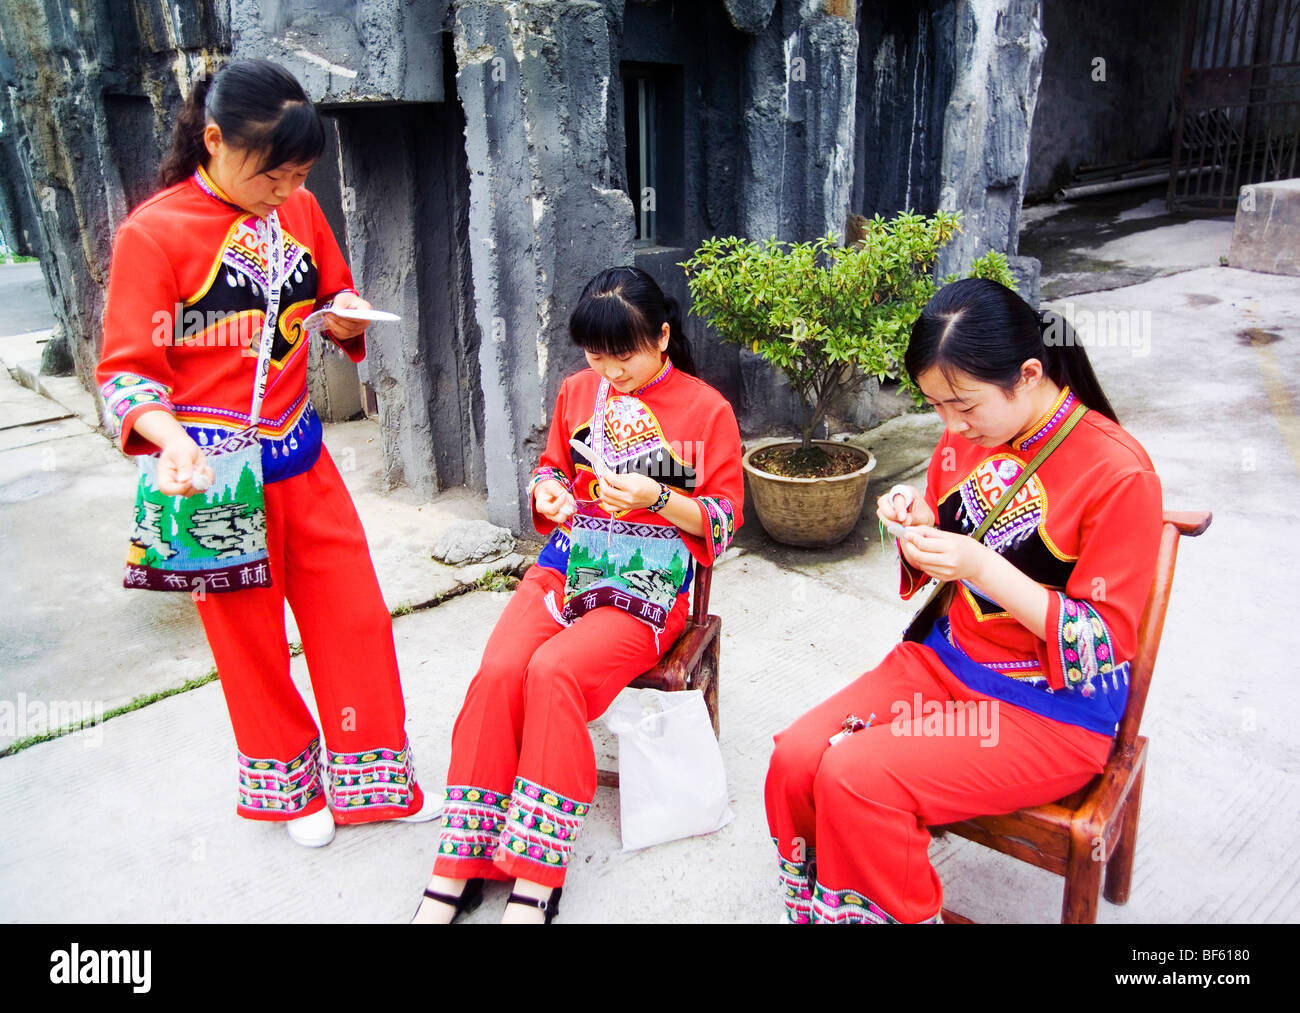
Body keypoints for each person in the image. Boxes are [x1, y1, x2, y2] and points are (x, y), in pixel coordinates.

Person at [96, 59, 435, 847]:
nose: (284, 190)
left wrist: (346, 321)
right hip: (208, 477)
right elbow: (123, 372)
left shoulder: (302, 211)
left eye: (299, 174)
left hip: (301, 457)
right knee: (247, 643)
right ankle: (287, 786)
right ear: (213, 140)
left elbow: (330, 297)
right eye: (270, 172)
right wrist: (171, 438)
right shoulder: (153, 234)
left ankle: (372, 776)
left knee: (352, 619)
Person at [764, 277, 1163, 923]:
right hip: (947, 661)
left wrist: (983, 566)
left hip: (1049, 705)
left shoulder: (1119, 472)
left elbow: (1103, 642)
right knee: (796, 757)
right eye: (935, 404)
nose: (949, 425)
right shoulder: (967, 433)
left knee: (859, 777)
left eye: (963, 404)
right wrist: (917, 520)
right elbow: (952, 537)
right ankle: (829, 909)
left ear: (1029, 373)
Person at [411, 266, 744, 923]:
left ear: (664, 337)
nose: (610, 372)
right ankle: (462, 861)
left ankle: (538, 871)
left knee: (553, 671)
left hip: (647, 582)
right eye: (596, 356)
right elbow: (551, 467)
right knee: (498, 672)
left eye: (624, 355)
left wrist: (659, 498)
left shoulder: (707, 410)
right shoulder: (576, 393)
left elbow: (726, 518)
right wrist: (548, 491)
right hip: (569, 562)